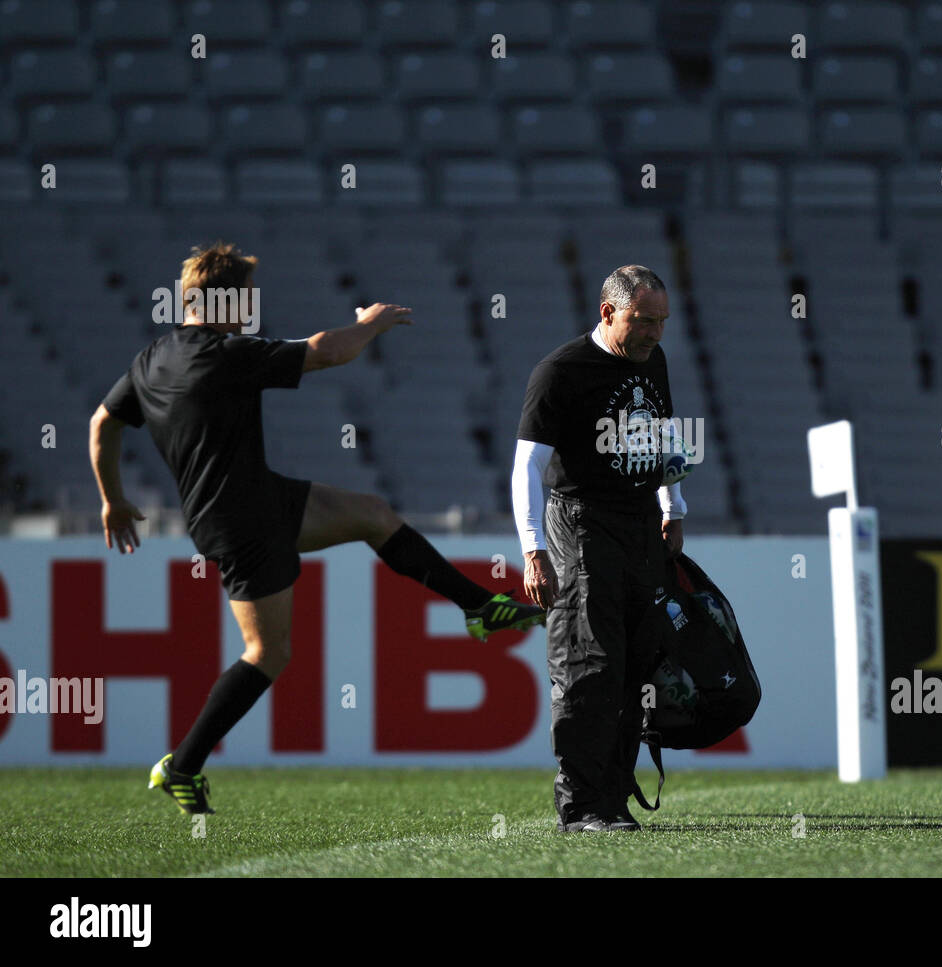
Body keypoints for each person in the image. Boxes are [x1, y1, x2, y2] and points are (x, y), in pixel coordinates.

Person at [89, 242, 544, 815]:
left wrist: (113, 500)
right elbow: (325, 353)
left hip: (259, 500)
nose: (252, 306)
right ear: (223, 299)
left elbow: (102, 422)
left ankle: (478, 606)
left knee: (373, 514)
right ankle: (181, 766)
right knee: (267, 653)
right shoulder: (224, 355)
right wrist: (372, 324)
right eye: (247, 296)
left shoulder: (152, 358)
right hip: (242, 522)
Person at [512, 265, 685, 833]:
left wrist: (672, 508)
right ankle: (582, 806)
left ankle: (611, 799)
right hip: (581, 525)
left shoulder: (651, 359)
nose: (655, 333)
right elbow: (527, 468)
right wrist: (533, 550)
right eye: (643, 320)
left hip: (641, 527)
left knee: (637, 665)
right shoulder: (560, 372)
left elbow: (661, 437)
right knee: (589, 665)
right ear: (609, 312)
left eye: (662, 321)